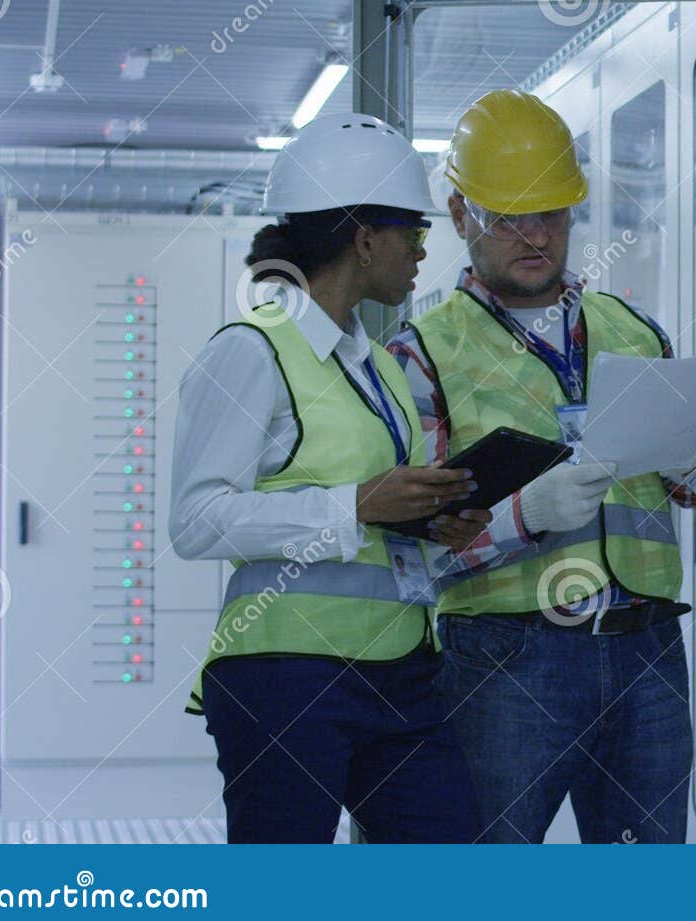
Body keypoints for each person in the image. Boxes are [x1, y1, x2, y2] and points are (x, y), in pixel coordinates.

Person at [388, 89, 696, 844]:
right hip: (508, 659)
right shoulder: (424, 355)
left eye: (551, 214)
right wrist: (523, 517)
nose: (534, 236)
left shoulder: (635, 331)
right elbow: (409, 552)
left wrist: (687, 452)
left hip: (645, 649)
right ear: (459, 216)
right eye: (507, 218)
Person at [170, 114, 490, 844]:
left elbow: (376, 516)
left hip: (402, 668)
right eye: (411, 229)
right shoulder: (251, 352)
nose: (421, 247)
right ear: (364, 238)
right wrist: (354, 505)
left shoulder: (377, 362)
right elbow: (195, 521)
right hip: (286, 677)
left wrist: (432, 517)